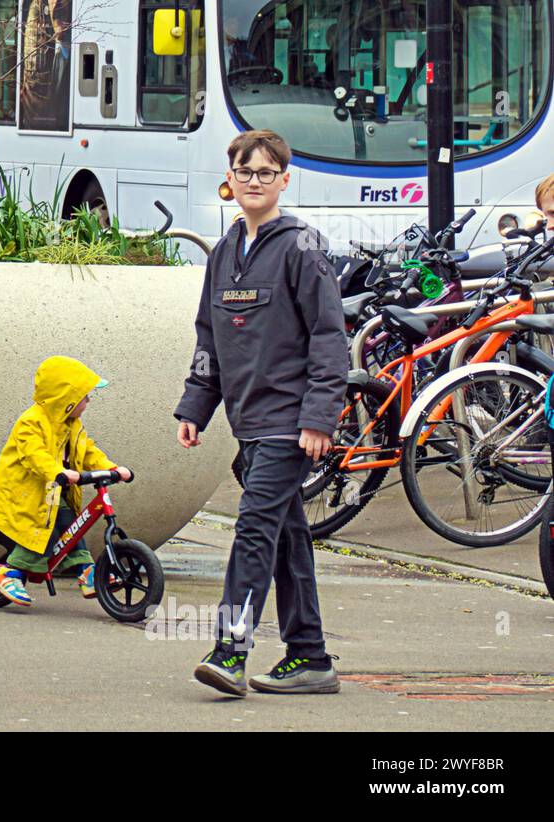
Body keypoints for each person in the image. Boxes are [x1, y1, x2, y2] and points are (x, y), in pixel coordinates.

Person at [174, 129, 345, 697]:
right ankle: (310, 656)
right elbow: (210, 334)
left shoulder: (302, 248)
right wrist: (196, 405)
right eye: (245, 172)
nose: (254, 182)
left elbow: (328, 337)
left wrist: (319, 417)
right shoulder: (224, 252)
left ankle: (229, 649)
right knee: (287, 537)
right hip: (247, 422)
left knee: (253, 530)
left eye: (266, 173)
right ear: (231, 177)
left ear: (284, 180)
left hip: (290, 423)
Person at [0, 355, 132, 606]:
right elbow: (34, 455)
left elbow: (88, 450)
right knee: (45, 525)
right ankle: (8, 573)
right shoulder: (31, 421)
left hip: (52, 489)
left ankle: (86, 570)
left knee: (69, 522)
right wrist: (57, 471)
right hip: (26, 491)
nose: (88, 401)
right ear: (68, 400)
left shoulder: (72, 423)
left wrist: (112, 468)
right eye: (84, 396)